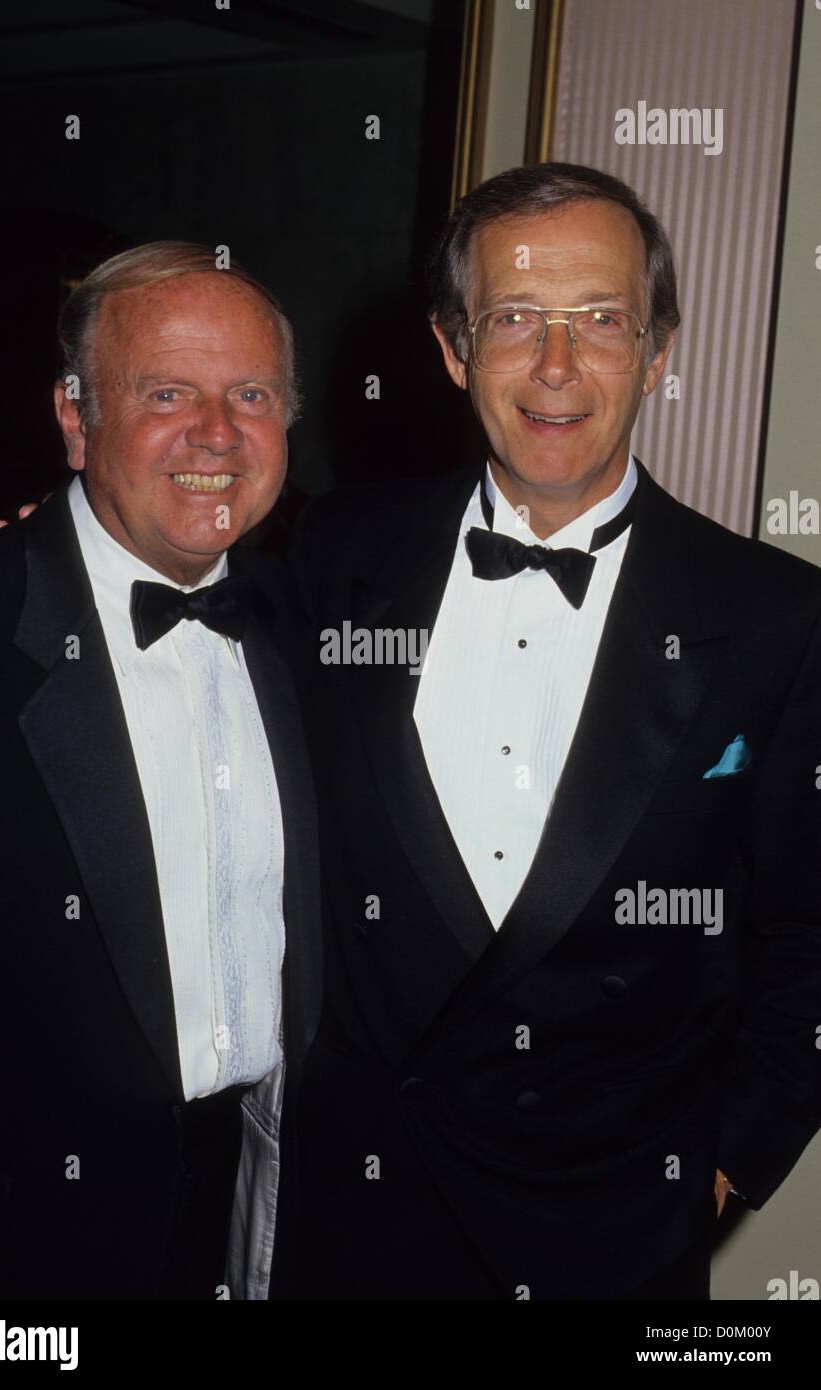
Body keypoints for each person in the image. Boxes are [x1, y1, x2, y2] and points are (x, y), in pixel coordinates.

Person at [289, 163, 821, 1299]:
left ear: (660, 353)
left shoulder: (779, 618)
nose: (558, 367)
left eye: (602, 321)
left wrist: (728, 1163)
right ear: (452, 349)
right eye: (517, 318)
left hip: (612, 1239)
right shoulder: (325, 555)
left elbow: (810, 937)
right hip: (353, 1223)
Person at [0, 243, 321, 1299]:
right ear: (75, 417)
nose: (217, 433)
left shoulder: (316, 622)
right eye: (165, 393)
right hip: (16, 1238)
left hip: (260, 1209)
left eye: (251, 392)